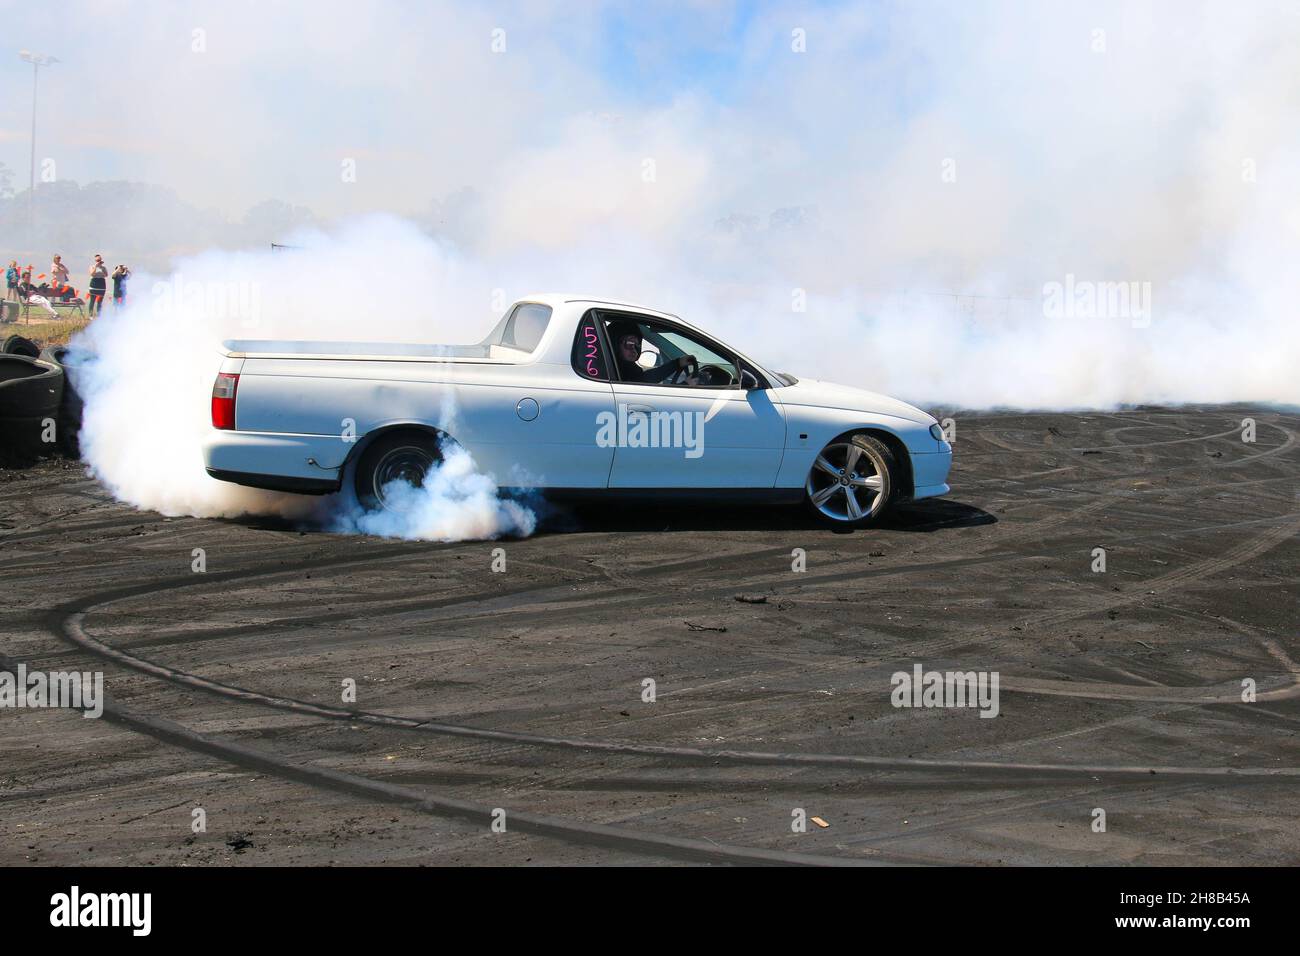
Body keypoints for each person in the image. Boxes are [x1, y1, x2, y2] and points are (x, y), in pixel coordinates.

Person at [607, 320, 697, 385]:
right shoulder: (609, 369)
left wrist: (677, 363)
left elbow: (645, 379)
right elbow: (640, 389)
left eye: (638, 344)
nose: (634, 349)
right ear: (614, 343)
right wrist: (685, 385)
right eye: (630, 343)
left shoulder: (624, 369)